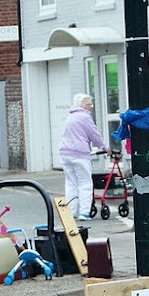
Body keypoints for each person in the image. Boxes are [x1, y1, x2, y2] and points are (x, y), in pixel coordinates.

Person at [59, 93, 108, 222]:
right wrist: (104, 147)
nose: (91, 107)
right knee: (85, 183)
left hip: (65, 153)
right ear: (81, 104)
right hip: (79, 154)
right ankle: (84, 212)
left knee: (71, 183)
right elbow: (94, 134)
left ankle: (71, 212)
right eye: (88, 104)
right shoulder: (84, 117)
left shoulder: (70, 116)